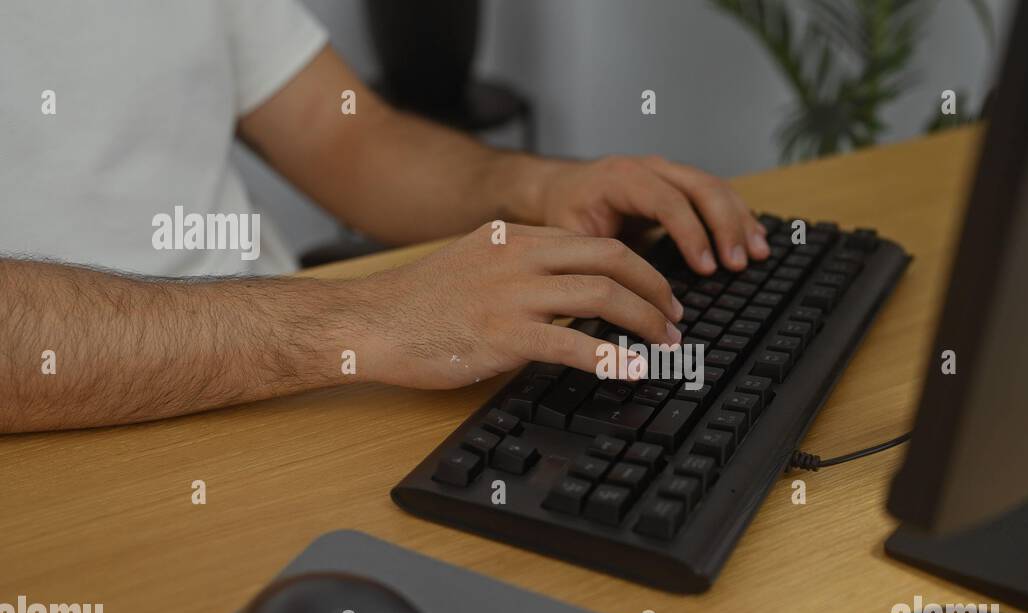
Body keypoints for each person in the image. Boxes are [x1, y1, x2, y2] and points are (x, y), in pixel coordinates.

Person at [0, 1, 768, 434]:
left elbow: (342, 133)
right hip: (69, 468)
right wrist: (362, 319)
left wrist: (535, 187)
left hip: (299, 392)